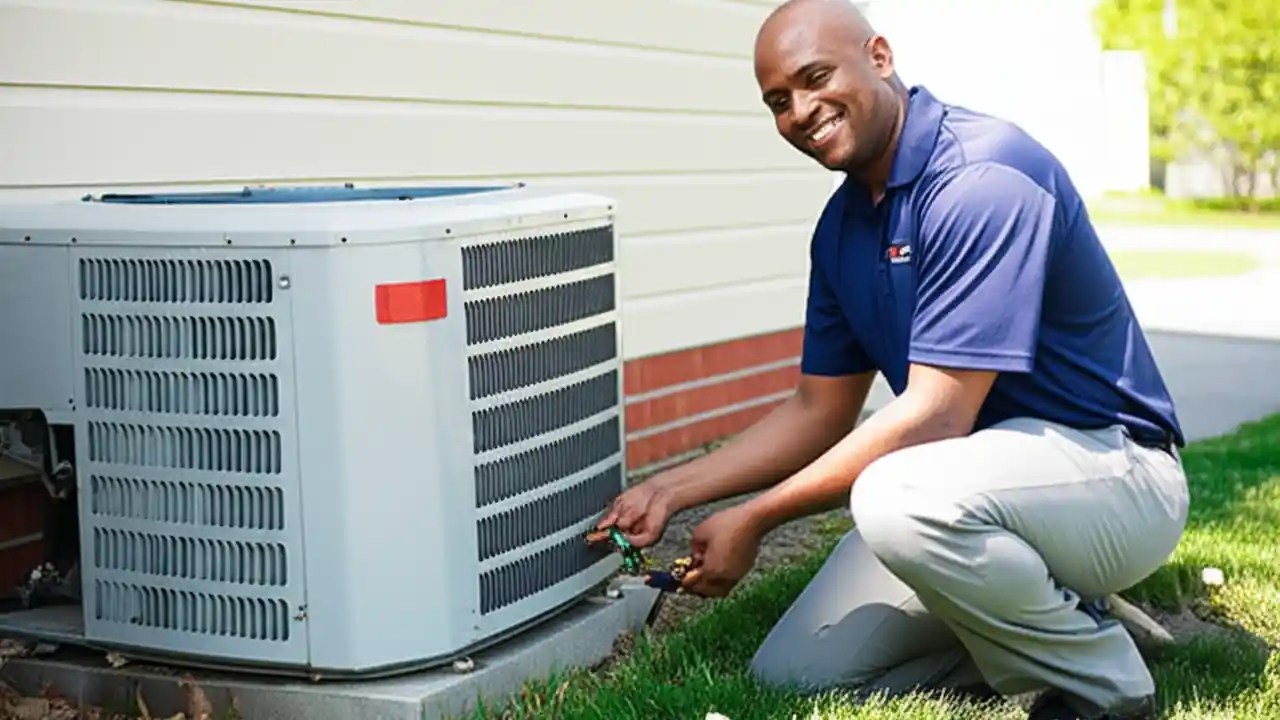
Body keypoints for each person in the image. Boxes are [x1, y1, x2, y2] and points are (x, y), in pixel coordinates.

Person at [595, 1, 1189, 718]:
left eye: (816, 77)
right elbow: (819, 409)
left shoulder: (983, 175)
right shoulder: (841, 228)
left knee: (892, 496)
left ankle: (1107, 687)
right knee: (795, 676)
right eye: (778, 102)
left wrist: (755, 518)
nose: (801, 112)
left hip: (1114, 476)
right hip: (971, 493)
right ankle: (1067, 618)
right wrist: (675, 490)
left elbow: (938, 416)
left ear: (878, 56)